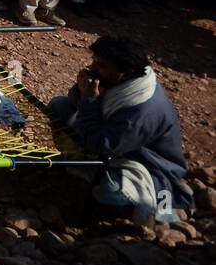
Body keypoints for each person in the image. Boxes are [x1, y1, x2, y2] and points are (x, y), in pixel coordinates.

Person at [49, 35, 192, 223]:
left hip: (144, 163)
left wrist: (90, 100)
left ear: (125, 72)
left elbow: (100, 144)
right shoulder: (120, 84)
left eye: (101, 65)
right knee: (60, 106)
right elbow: (77, 104)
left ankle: (128, 214)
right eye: (94, 62)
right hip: (113, 140)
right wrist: (82, 91)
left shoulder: (141, 110)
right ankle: (79, 167)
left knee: (110, 192)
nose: (92, 68)